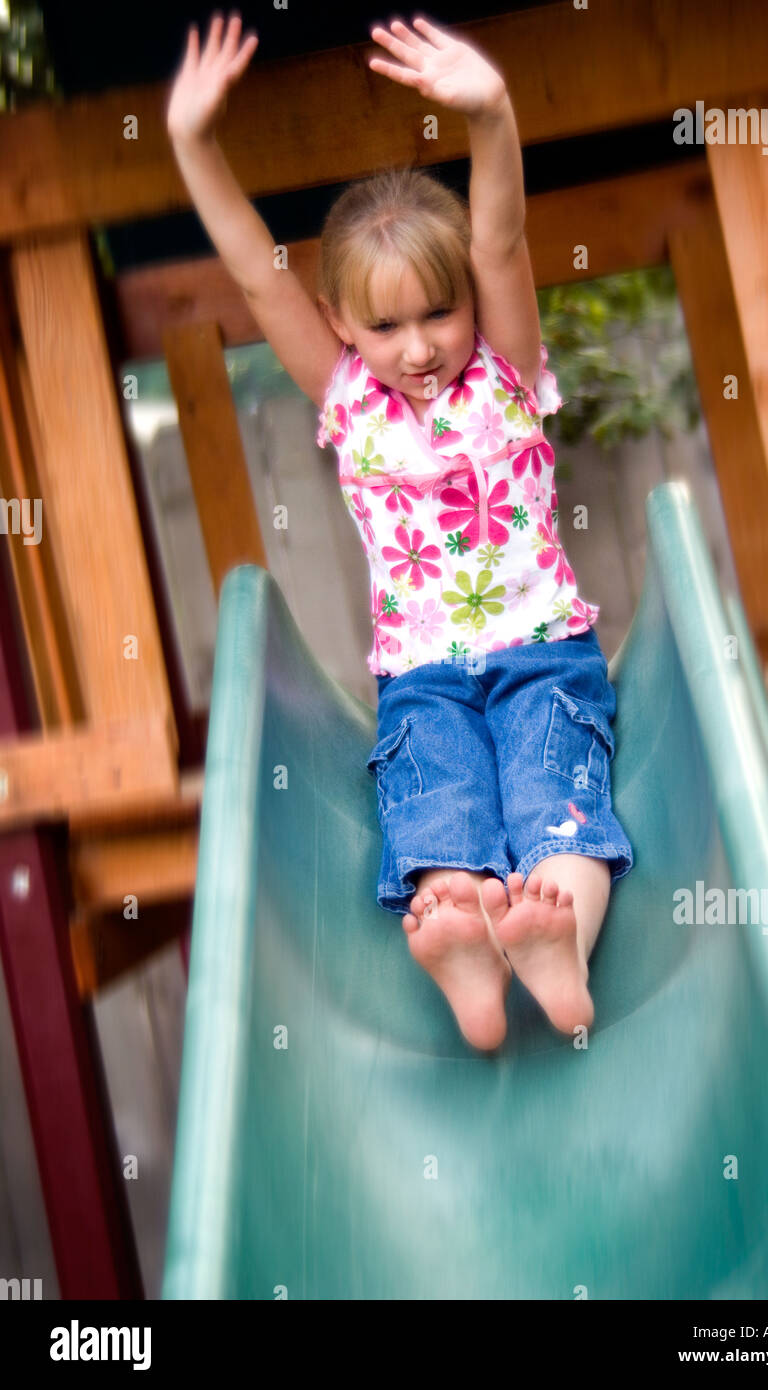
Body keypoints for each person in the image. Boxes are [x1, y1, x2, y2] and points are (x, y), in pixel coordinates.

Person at [167, 9, 633, 1053]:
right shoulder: (344, 401)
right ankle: (467, 955)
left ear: (469, 305)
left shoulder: (503, 376)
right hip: (418, 679)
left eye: (438, 313)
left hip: (542, 658)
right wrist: (193, 145)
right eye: (383, 326)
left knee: (559, 803)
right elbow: (253, 270)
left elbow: (501, 236)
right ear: (340, 325)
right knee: (435, 826)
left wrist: (492, 114)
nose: (418, 347)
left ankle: (555, 948)